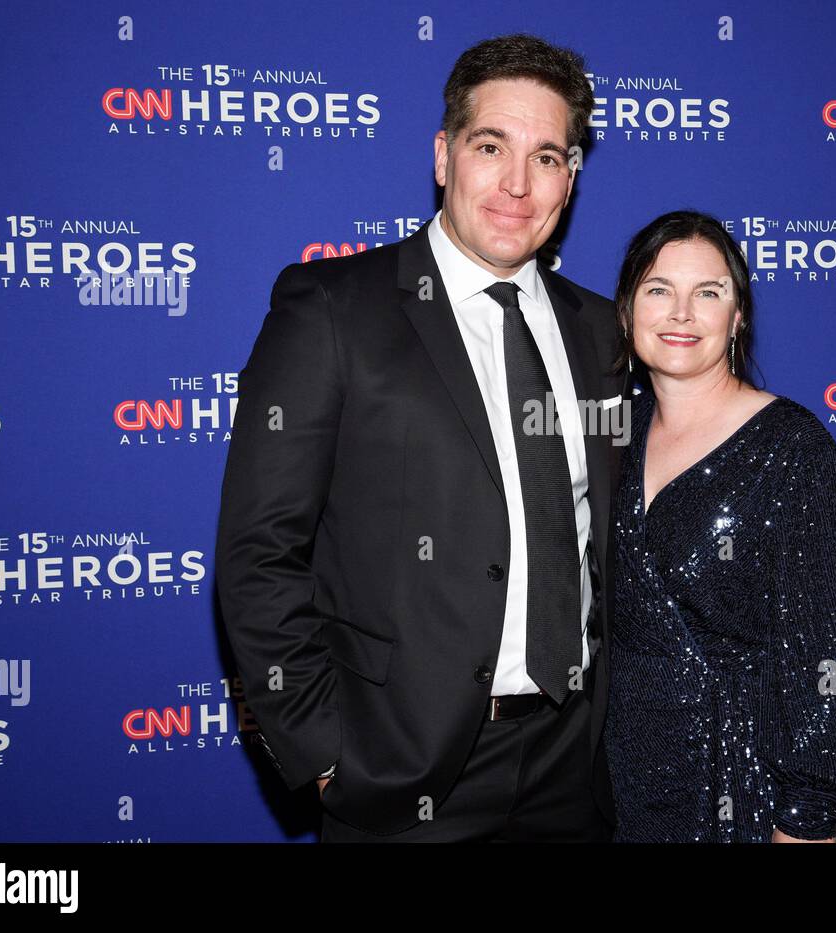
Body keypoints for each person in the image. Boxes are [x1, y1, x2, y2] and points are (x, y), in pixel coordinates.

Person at [215, 34, 628, 842]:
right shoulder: (333, 309)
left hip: (571, 765)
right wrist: (324, 748)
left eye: (547, 157)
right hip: (401, 772)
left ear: (570, 179)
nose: (517, 183)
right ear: (444, 156)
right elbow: (257, 550)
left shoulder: (600, 331)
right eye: (490, 146)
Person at [605, 210, 836, 842]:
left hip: (745, 786)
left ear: (737, 319)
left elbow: (826, 655)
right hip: (623, 783)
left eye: (708, 293)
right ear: (626, 312)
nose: (681, 313)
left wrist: (806, 822)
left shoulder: (794, 449)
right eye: (658, 290)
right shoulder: (611, 434)